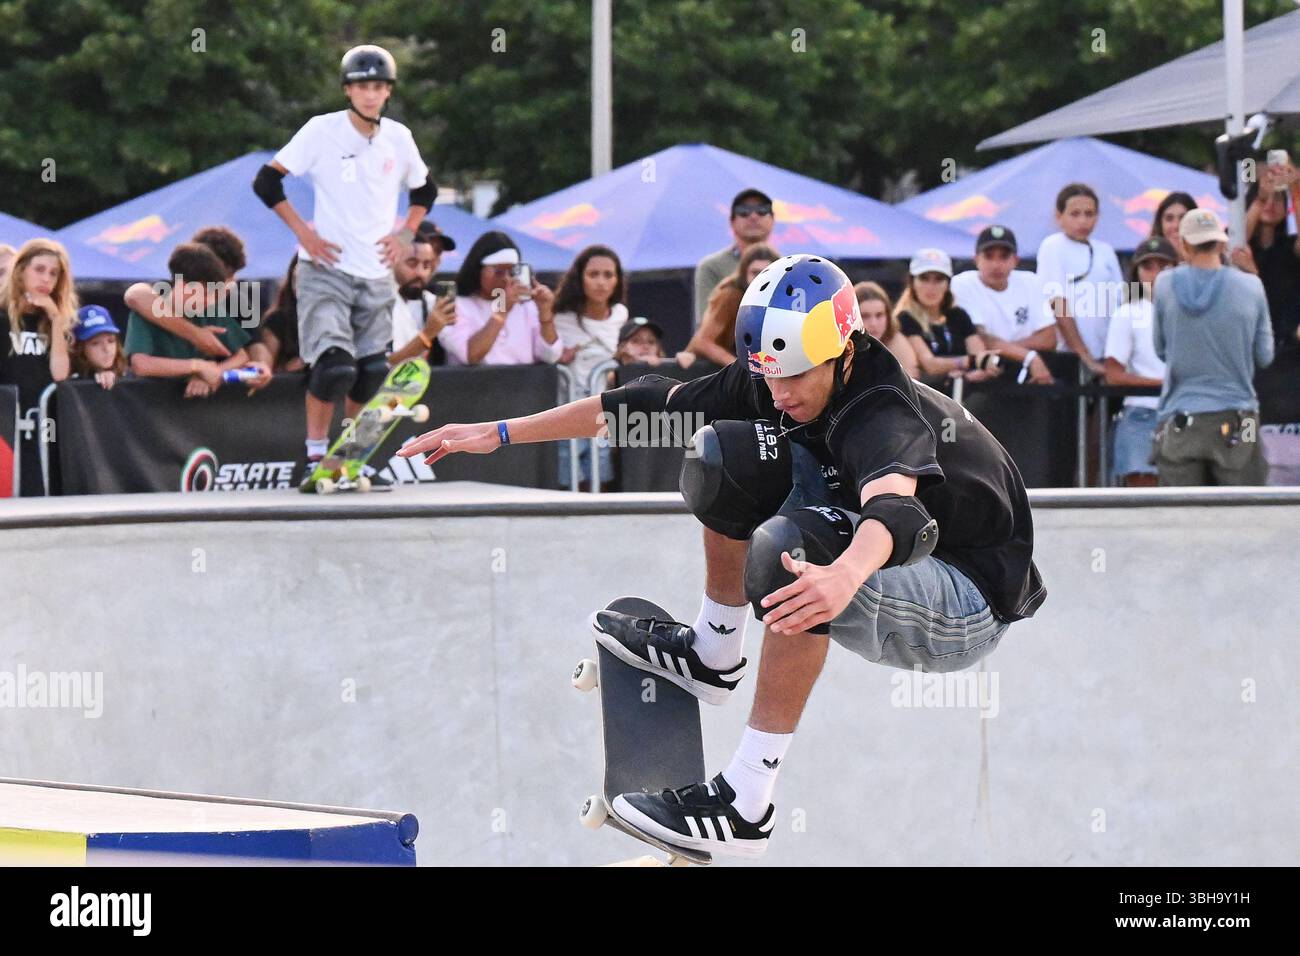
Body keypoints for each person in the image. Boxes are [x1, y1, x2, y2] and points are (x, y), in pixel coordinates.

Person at [398, 253, 1045, 859]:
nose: (781, 391)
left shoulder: (880, 409)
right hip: (892, 557)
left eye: (796, 376)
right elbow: (645, 404)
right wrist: (501, 432)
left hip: (966, 597)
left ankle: (746, 803)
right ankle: (714, 651)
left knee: (792, 551)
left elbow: (896, 511)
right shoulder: (775, 379)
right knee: (726, 456)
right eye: (769, 374)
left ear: (842, 354)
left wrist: (843, 575)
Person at [252, 43, 435, 476]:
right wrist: (303, 232)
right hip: (325, 270)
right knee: (335, 367)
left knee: (371, 372)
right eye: (361, 87)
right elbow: (266, 182)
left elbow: (425, 190)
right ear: (346, 90)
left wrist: (406, 233)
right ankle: (315, 450)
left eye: (377, 87)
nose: (369, 95)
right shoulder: (321, 131)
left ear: (388, 91)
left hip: (376, 276)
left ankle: (348, 452)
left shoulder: (399, 138)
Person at [1153, 210, 1274, 486]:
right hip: (1241, 420)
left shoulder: (1164, 285)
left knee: (1184, 519)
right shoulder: (1252, 286)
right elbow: (1264, 355)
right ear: (1221, 244)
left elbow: (1160, 350)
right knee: (1246, 515)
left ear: (1184, 244)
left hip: (1180, 419)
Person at [123, 226, 273, 392]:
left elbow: (249, 348)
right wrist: (196, 345)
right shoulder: (163, 294)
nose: (230, 282)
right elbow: (135, 296)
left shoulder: (229, 302)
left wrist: (256, 367)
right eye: (225, 273)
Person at [1, 238, 74, 496]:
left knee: (46, 482)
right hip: (8, 420)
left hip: (46, 421)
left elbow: (60, 374)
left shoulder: (53, 322)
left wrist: (56, 320)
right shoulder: (3, 317)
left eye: (53, 274)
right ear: (21, 272)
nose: (46, 279)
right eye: (39, 270)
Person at [552, 245, 628, 491]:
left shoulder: (620, 314)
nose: (601, 282)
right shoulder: (558, 316)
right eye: (593, 274)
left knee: (603, 479)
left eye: (608, 275)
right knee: (567, 480)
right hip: (565, 410)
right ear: (579, 277)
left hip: (606, 413)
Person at [1103, 237, 1176, 487]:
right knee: (1144, 497)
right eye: (1148, 266)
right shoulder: (1128, 312)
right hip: (1141, 413)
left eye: (1163, 266)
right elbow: (1113, 374)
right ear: (1137, 272)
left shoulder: (1189, 310)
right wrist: (1164, 383)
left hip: (1184, 412)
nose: (1155, 274)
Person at [1035, 183, 1124, 375]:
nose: (1083, 221)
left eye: (1089, 214)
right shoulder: (1053, 246)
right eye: (1075, 214)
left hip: (1108, 357)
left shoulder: (1106, 250)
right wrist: (1084, 356)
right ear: (1059, 216)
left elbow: (1121, 302)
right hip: (1067, 357)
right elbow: (1058, 303)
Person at [949, 226, 1056, 384]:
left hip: (1022, 368)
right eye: (989, 256)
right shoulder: (961, 285)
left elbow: (1049, 339)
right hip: (983, 370)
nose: (996, 264)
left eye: (1004, 257)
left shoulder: (1031, 282)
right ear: (976, 259)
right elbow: (980, 337)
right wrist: (1028, 356)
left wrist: (1011, 352)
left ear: (1016, 260)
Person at [439, 232, 561, 366]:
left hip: (523, 384)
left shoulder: (526, 306)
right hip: (475, 385)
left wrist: (545, 314)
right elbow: (470, 355)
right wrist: (502, 310)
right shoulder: (457, 306)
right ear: (478, 270)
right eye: (499, 272)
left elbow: (551, 356)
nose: (506, 278)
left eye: (512, 272)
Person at [893, 248, 996, 384]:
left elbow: (979, 354)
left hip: (963, 390)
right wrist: (969, 361)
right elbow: (930, 365)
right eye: (924, 278)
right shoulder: (904, 318)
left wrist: (973, 370)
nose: (931, 287)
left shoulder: (959, 315)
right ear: (912, 283)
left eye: (939, 279)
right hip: (925, 395)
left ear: (948, 284)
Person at [1230, 162, 1300, 352]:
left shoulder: (1289, 247)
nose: (1270, 204)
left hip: (1286, 348)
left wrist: (1296, 190)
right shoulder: (1240, 242)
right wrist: (1258, 201)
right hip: (1245, 344)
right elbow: (1232, 250)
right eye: (1264, 197)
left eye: (1277, 198)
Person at [693, 189, 776, 327]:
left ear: (772, 219)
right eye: (744, 211)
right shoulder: (711, 266)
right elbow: (706, 328)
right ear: (732, 221)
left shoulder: (786, 266)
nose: (754, 216)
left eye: (762, 210)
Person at [687, 243, 778, 367]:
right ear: (744, 273)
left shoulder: (782, 296)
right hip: (721, 370)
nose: (760, 278)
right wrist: (741, 368)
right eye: (754, 272)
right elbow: (702, 341)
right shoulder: (731, 295)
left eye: (766, 272)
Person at [389, 222, 456, 367]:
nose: (421, 271)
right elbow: (384, 367)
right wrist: (427, 335)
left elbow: (468, 352)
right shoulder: (378, 301)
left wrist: (500, 307)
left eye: (438, 251)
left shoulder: (434, 301)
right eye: (412, 262)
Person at [854, 282, 918, 378]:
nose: (873, 323)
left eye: (879, 315)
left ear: (888, 316)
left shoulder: (896, 341)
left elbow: (910, 378)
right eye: (865, 316)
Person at [261, 254, 305, 373]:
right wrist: (287, 369)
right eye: (295, 279)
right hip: (288, 387)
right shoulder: (278, 321)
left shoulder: (340, 320)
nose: (299, 287)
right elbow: (263, 371)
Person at [70, 305, 127, 390]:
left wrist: (114, 376)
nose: (106, 349)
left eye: (111, 341)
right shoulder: (71, 379)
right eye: (95, 343)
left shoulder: (130, 373)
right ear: (80, 348)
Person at [1149, 191, 1197, 262]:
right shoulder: (1148, 263)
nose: (1176, 226)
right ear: (1160, 224)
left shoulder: (1211, 267)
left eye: (1183, 218)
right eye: (1169, 218)